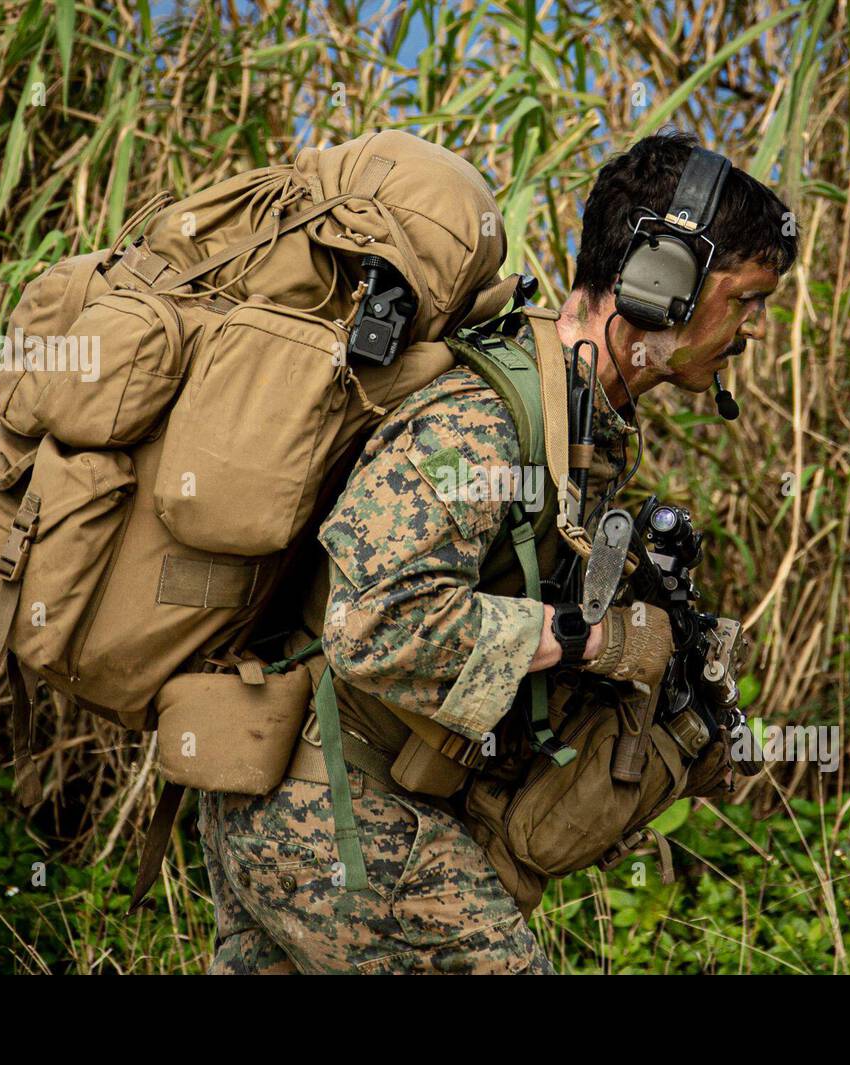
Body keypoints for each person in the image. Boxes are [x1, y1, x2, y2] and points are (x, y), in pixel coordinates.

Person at [197, 128, 798, 974]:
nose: (750, 331)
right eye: (745, 299)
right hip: (325, 804)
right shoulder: (482, 422)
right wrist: (594, 639)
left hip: (317, 796)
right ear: (661, 280)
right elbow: (379, 625)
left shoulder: (578, 423)